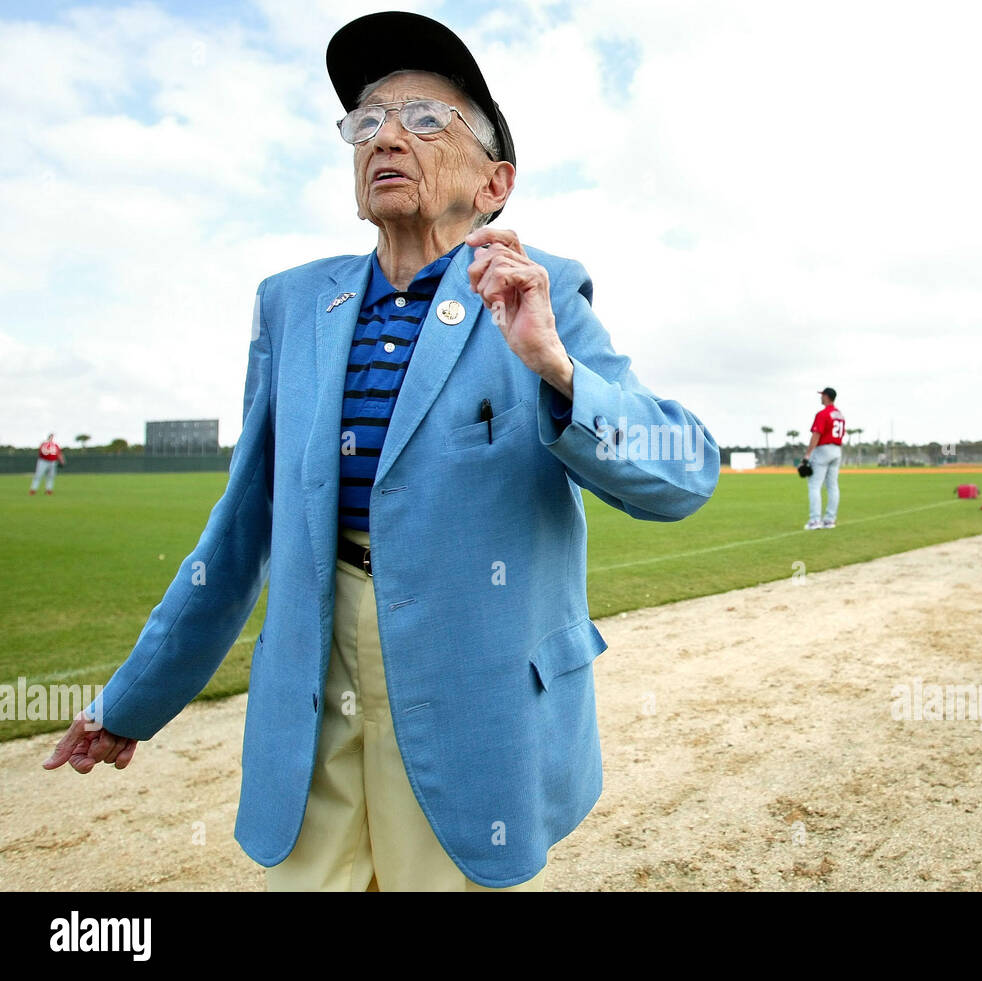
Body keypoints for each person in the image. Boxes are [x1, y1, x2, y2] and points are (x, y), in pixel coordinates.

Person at [43, 12, 719, 892]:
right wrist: (133, 700)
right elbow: (241, 530)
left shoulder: (537, 289)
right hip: (315, 694)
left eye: (425, 120)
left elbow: (684, 474)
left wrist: (556, 368)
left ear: (495, 183)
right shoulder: (292, 304)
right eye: (366, 122)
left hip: (474, 701)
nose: (386, 137)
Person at [802, 387, 844, 529]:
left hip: (823, 449)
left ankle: (815, 520)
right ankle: (830, 520)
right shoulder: (839, 415)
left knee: (814, 485)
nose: (821, 397)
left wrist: (807, 455)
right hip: (837, 450)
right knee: (833, 486)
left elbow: (817, 434)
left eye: (822, 395)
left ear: (826, 396)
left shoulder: (823, 414)